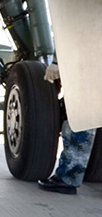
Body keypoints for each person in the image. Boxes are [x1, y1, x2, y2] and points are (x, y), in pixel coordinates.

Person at [38, 62, 96, 195]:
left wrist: (57, 62)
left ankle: (68, 178)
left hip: (88, 64)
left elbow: (77, 40)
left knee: (80, 117)